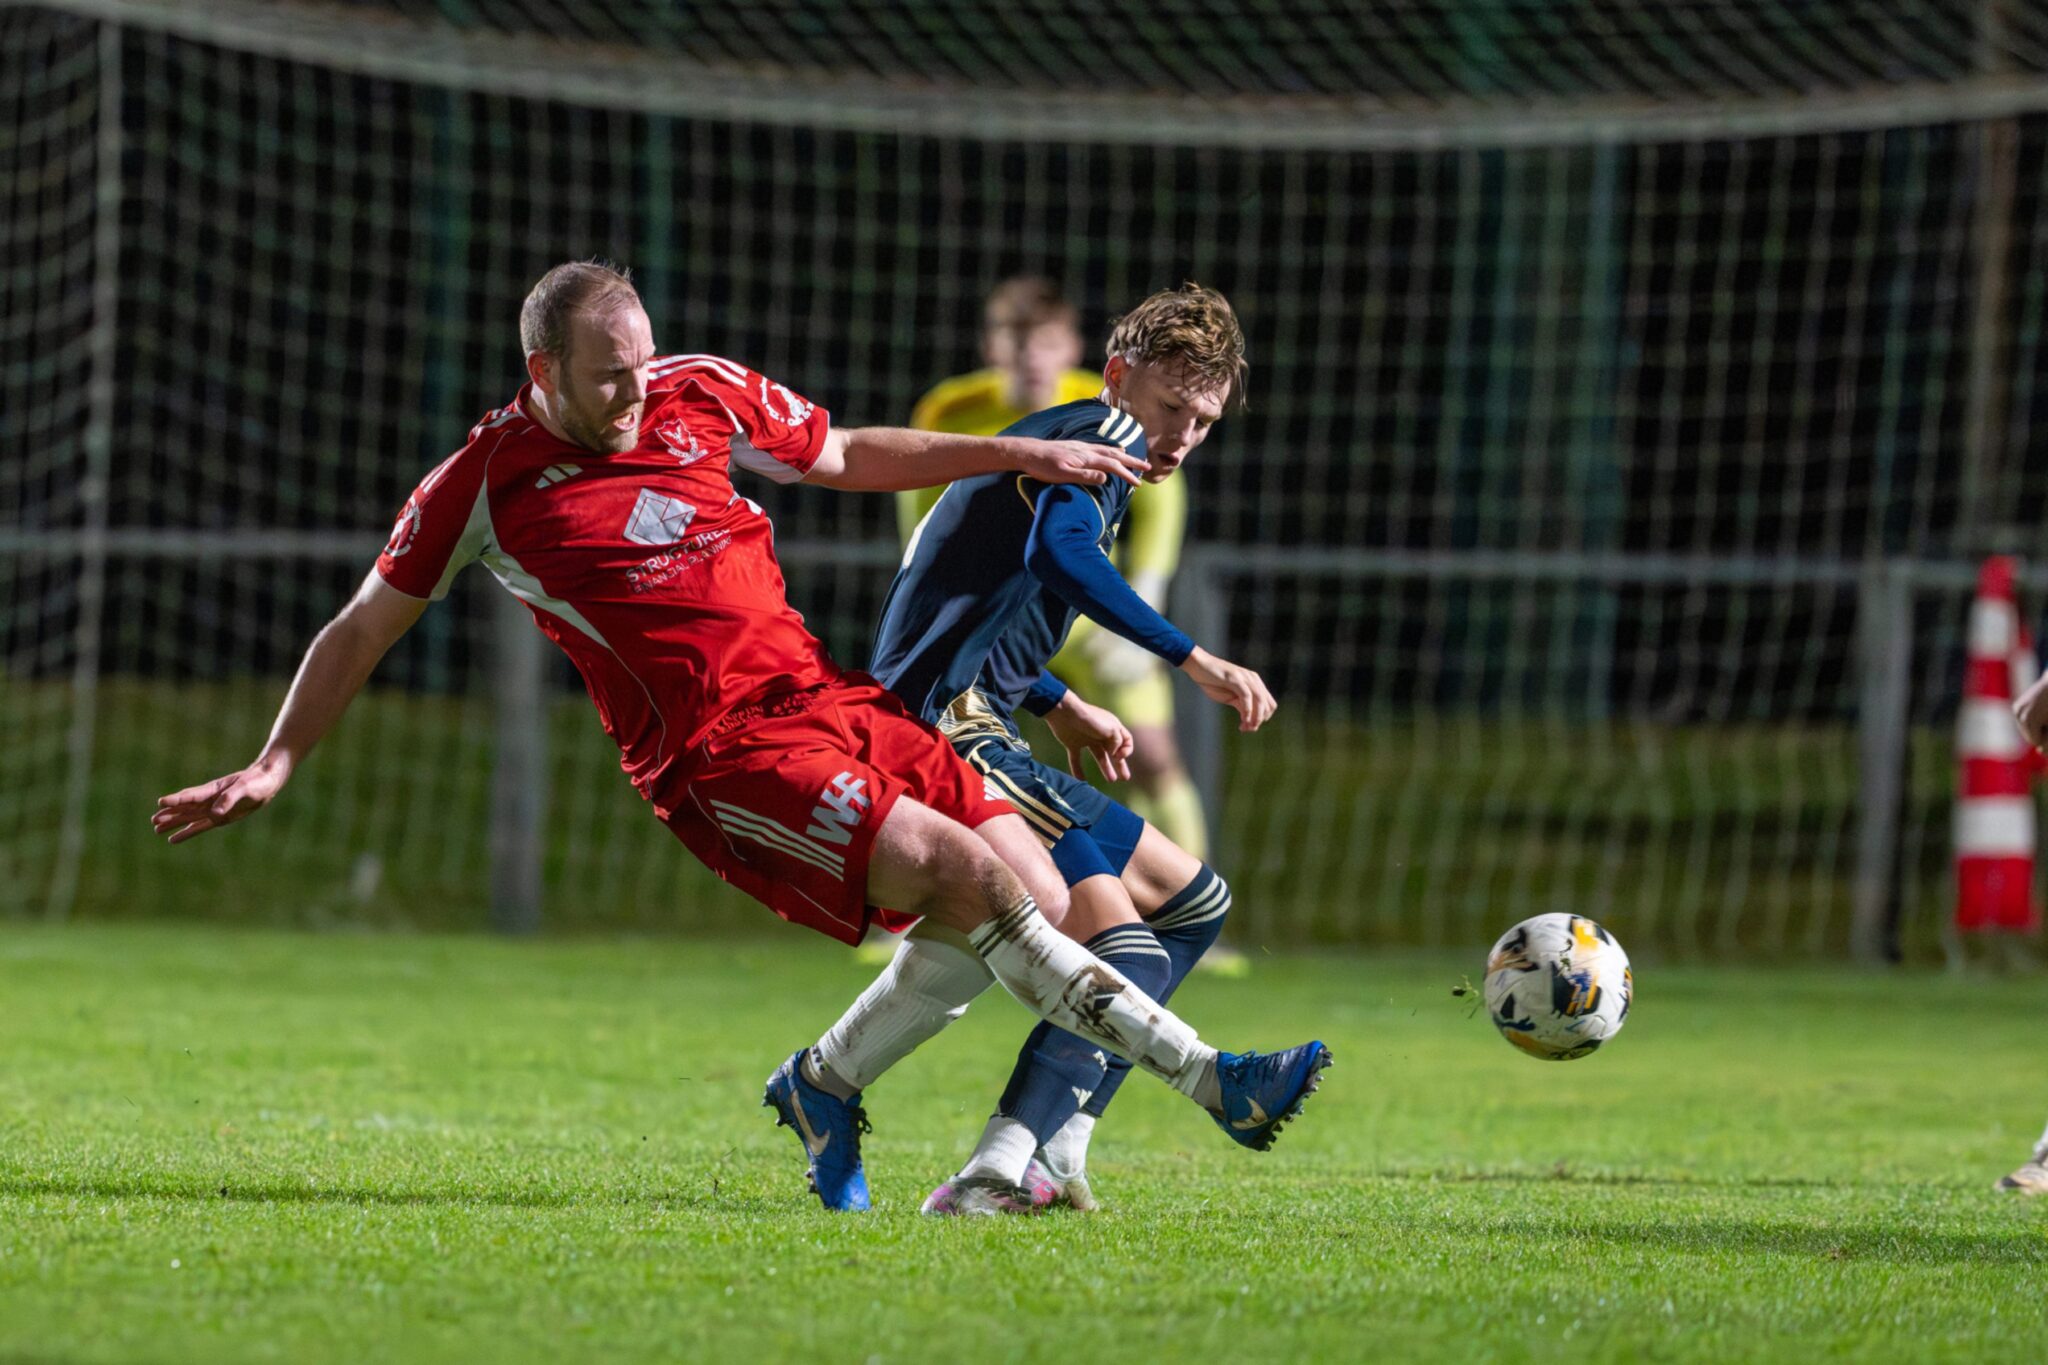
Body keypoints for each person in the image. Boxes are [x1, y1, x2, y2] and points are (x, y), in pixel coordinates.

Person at [153, 262, 1326, 1210]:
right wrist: (278, 758)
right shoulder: (481, 483)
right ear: (541, 370)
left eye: (640, 364)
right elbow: (361, 625)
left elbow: (851, 455)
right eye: (608, 377)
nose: (634, 391)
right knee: (979, 881)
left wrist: (1017, 451)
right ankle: (1208, 1081)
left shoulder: (695, 389)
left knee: (1027, 886)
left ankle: (826, 1087)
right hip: (724, 757)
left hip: (825, 696)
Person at [770, 284, 1314, 1216]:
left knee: (1187, 903)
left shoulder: (1078, 437)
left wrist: (1058, 699)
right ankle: (999, 1170)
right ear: (1119, 378)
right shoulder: (1098, 441)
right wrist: (1194, 658)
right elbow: (1059, 559)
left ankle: (845, 1085)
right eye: (1170, 404)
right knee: (1127, 949)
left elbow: (980, 595)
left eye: (1205, 417)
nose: (1181, 433)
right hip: (947, 727)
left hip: (964, 709)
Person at [901, 277, 1211, 858]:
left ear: (1071, 348)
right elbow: (921, 501)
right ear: (992, 347)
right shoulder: (952, 408)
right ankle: (904, 910)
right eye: (1017, 341)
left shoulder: (1106, 403)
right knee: (935, 754)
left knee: (1151, 754)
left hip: (1088, 614)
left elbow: (1162, 500)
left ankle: (1185, 908)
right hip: (993, 615)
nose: (1031, 357)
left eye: (1045, 341)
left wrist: (1147, 591)